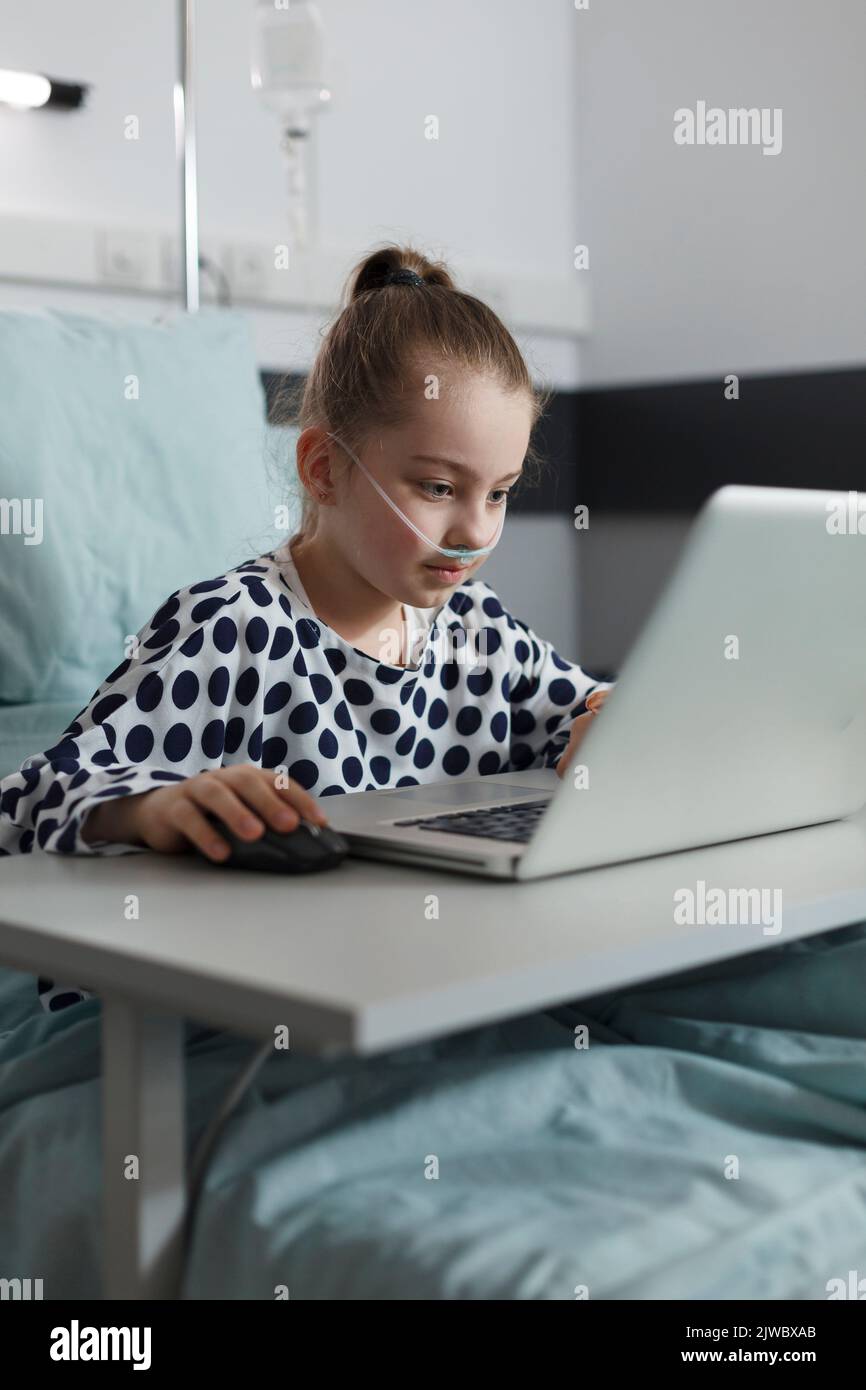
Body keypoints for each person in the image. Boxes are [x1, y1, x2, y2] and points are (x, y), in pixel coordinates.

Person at [0, 242, 613, 1012]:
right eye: (437, 487)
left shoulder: (476, 630)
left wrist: (608, 721)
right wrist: (149, 809)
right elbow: (27, 802)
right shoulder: (231, 631)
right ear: (324, 469)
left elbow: (580, 708)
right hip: (258, 1003)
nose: (473, 532)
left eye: (499, 494)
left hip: (423, 976)